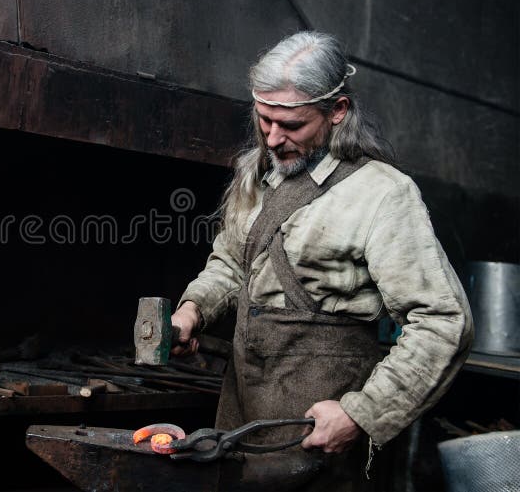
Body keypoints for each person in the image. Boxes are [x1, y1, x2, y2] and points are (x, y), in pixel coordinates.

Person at [170, 30, 473, 491]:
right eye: (264, 119)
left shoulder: (383, 194)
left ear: (337, 112)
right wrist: (194, 309)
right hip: (243, 417)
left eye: (291, 126)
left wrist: (360, 413)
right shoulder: (256, 176)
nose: (272, 138)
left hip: (323, 431)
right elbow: (233, 263)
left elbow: (444, 322)